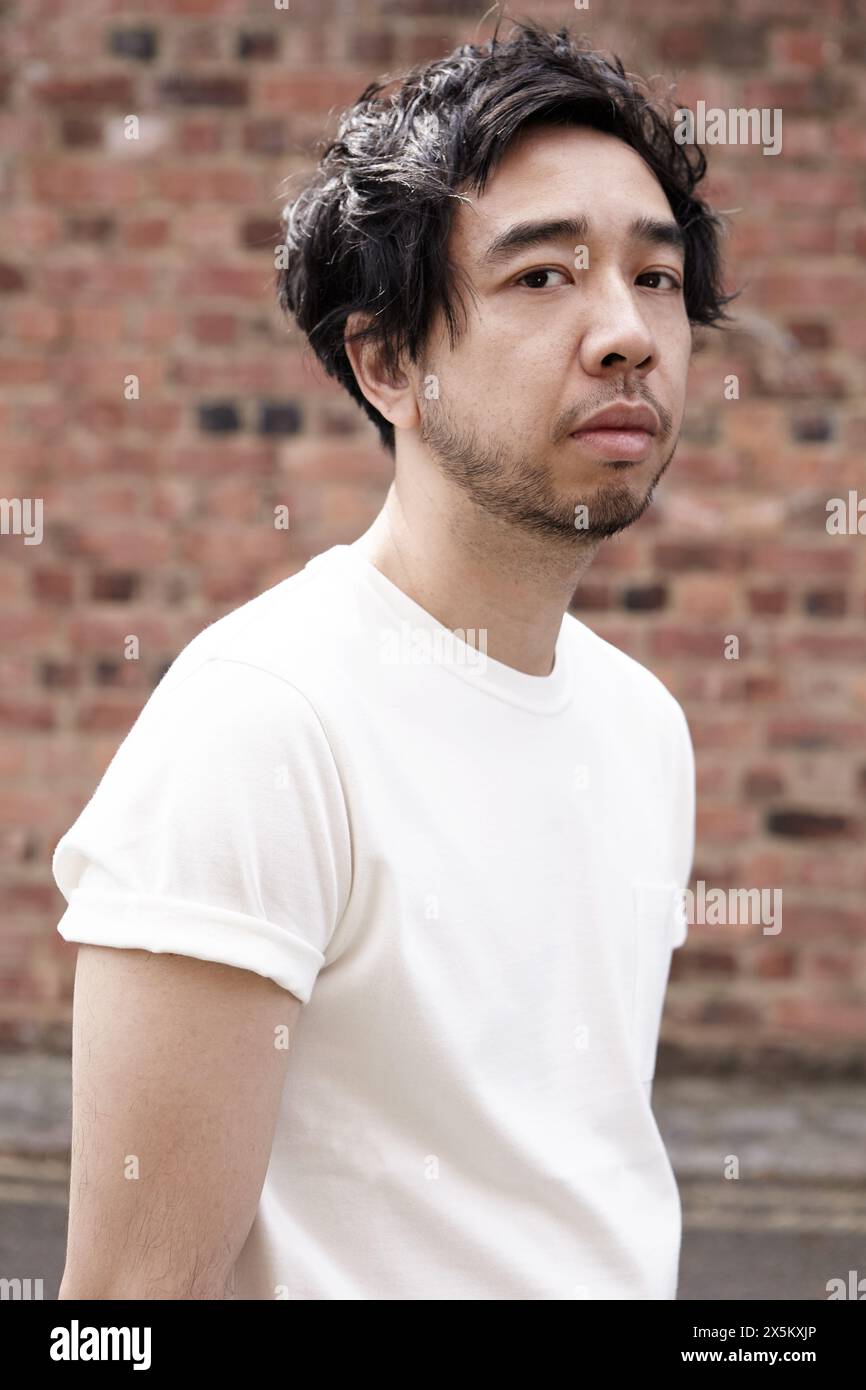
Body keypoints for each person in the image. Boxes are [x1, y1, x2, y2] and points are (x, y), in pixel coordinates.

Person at [53, 18, 735, 1300]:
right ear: (386, 362)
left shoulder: (642, 725)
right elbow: (122, 1316)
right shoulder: (264, 725)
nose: (626, 332)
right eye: (542, 277)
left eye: (651, 278)